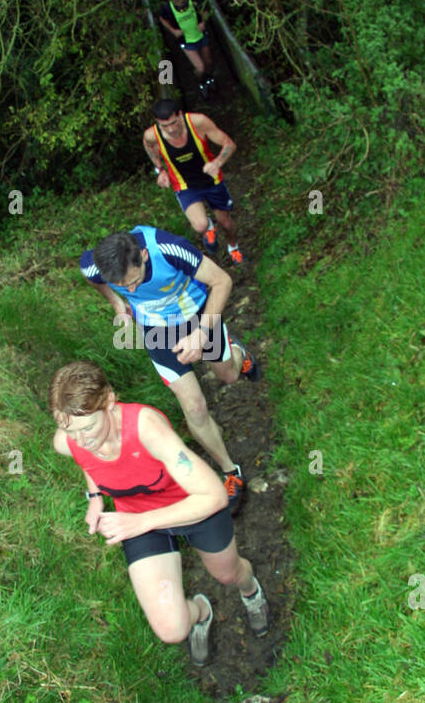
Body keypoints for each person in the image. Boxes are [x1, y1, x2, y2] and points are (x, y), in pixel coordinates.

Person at [50, 360, 270, 666]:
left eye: (88, 427)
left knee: (228, 574)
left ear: (110, 401)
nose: (82, 441)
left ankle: (250, 589)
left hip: (193, 508)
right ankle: (202, 612)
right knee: (172, 629)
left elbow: (215, 496)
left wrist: (141, 522)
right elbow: (84, 457)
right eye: (70, 430)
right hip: (138, 520)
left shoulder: (146, 429)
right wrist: (95, 496)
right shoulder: (68, 441)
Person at [78, 225, 259, 514]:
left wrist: (201, 334)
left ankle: (237, 353)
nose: (133, 290)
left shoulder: (168, 248)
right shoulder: (96, 264)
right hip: (157, 330)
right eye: (124, 287)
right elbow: (88, 275)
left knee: (229, 375)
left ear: (144, 255)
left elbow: (222, 281)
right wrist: (118, 303)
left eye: (134, 282)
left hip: (198, 315)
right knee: (194, 407)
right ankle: (230, 472)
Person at [143, 98, 244, 264]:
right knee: (200, 225)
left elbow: (229, 144)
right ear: (157, 123)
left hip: (211, 180)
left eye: (174, 123)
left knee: (225, 223)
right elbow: (149, 147)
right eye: (164, 126)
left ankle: (233, 248)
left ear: (180, 115)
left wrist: (217, 163)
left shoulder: (198, 122)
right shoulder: (151, 135)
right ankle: (209, 228)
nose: (171, 129)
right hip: (185, 184)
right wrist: (160, 170)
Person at [157, 0, 216, 99]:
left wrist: (203, 21)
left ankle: (209, 78)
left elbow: (204, 9)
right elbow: (162, 19)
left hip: (200, 35)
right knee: (200, 67)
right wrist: (173, 30)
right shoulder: (168, 8)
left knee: (208, 61)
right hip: (187, 41)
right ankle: (202, 82)